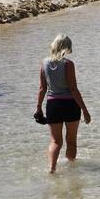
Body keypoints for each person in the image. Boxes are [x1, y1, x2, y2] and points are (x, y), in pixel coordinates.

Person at [35, 33, 91, 173]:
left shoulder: (44, 63)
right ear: (66, 48)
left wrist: (38, 108)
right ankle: (72, 170)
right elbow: (73, 88)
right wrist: (84, 109)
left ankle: (51, 169)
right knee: (71, 140)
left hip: (53, 105)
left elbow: (42, 89)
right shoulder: (68, 64)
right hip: (70, 105)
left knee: (55, 141)